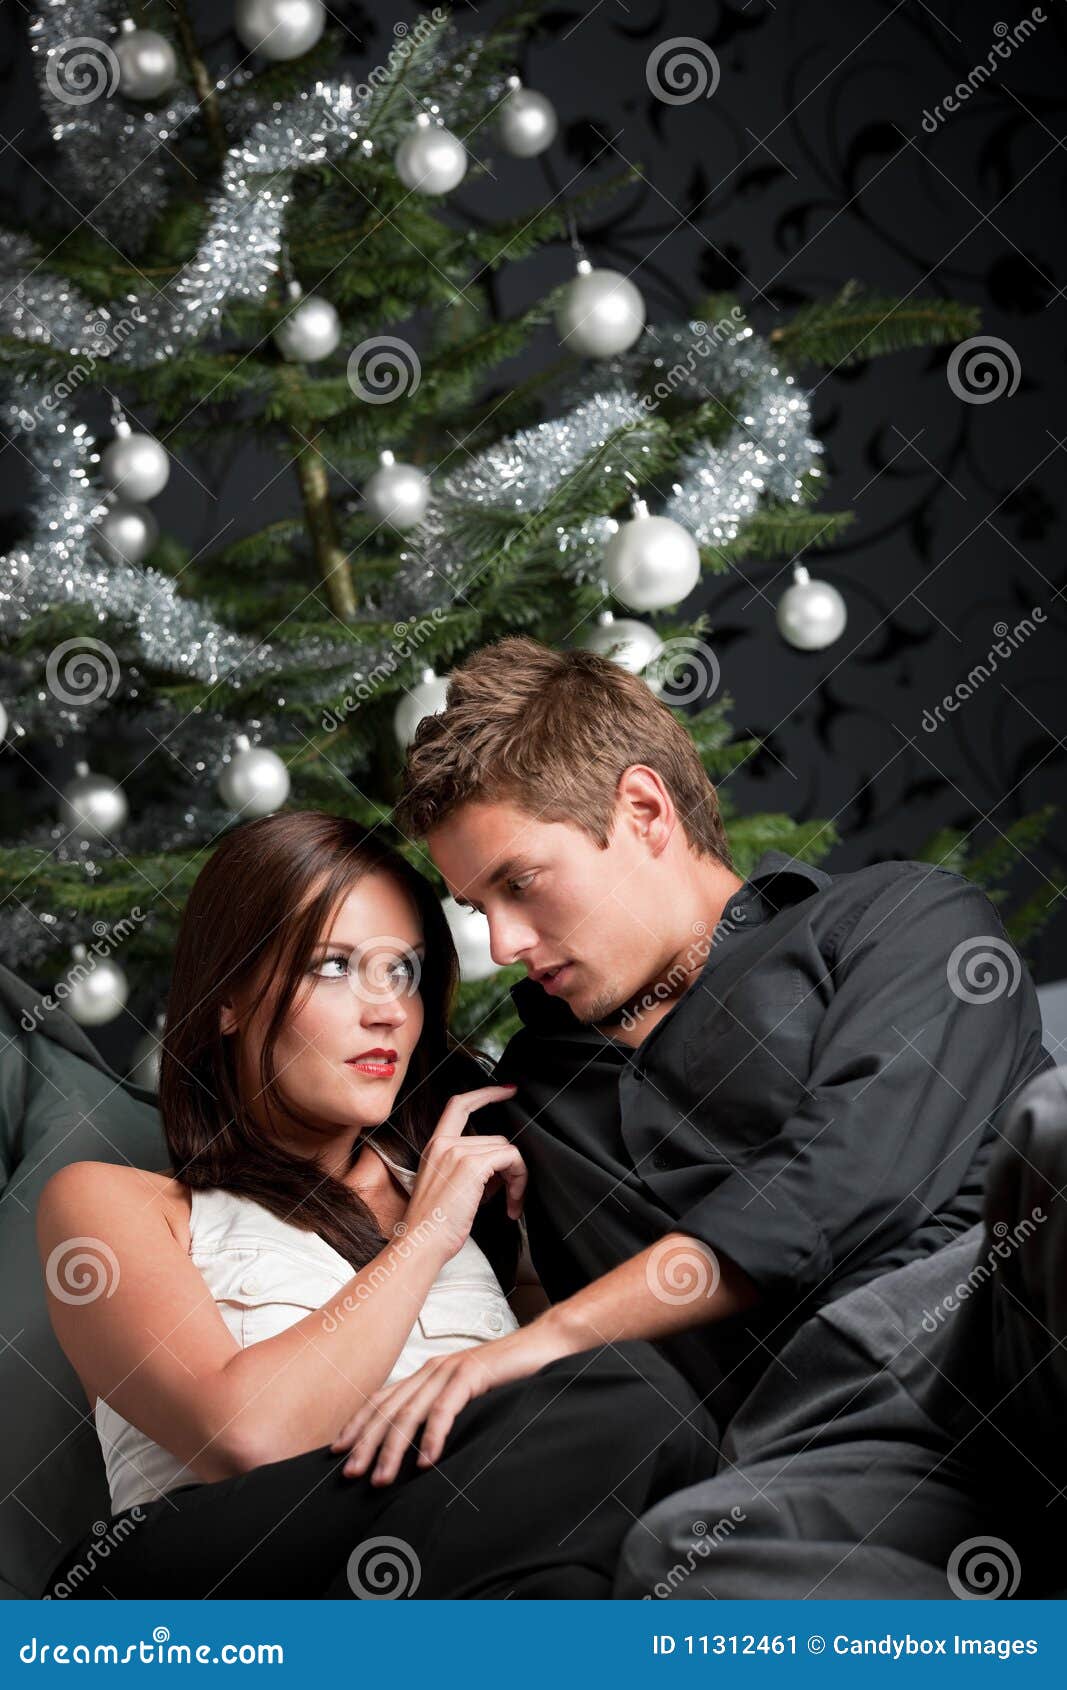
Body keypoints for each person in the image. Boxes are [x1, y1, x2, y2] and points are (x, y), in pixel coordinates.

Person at [365, 633, 1058, 1596]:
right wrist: (459, 1249)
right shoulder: (529, 1098)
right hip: (839, 1451)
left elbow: (846, 1177)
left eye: (519, 884)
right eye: (477, 908)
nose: (505, 942)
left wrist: (551, 1336)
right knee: (683, 1563)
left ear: (643, 810)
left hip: (1011, 1335)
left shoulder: (900, 922)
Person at [36, 810, 719, 1600]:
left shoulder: (489, 1201)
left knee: (607, 1488)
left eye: (404, 972)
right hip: (194, 1585)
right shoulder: (108, 1205)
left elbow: (561, 1453)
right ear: (228, 996)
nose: (386, 1009)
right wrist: (424, 1236)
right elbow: (249, 1435)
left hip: (428, 1583)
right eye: (332, 966)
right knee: (631, 1402)